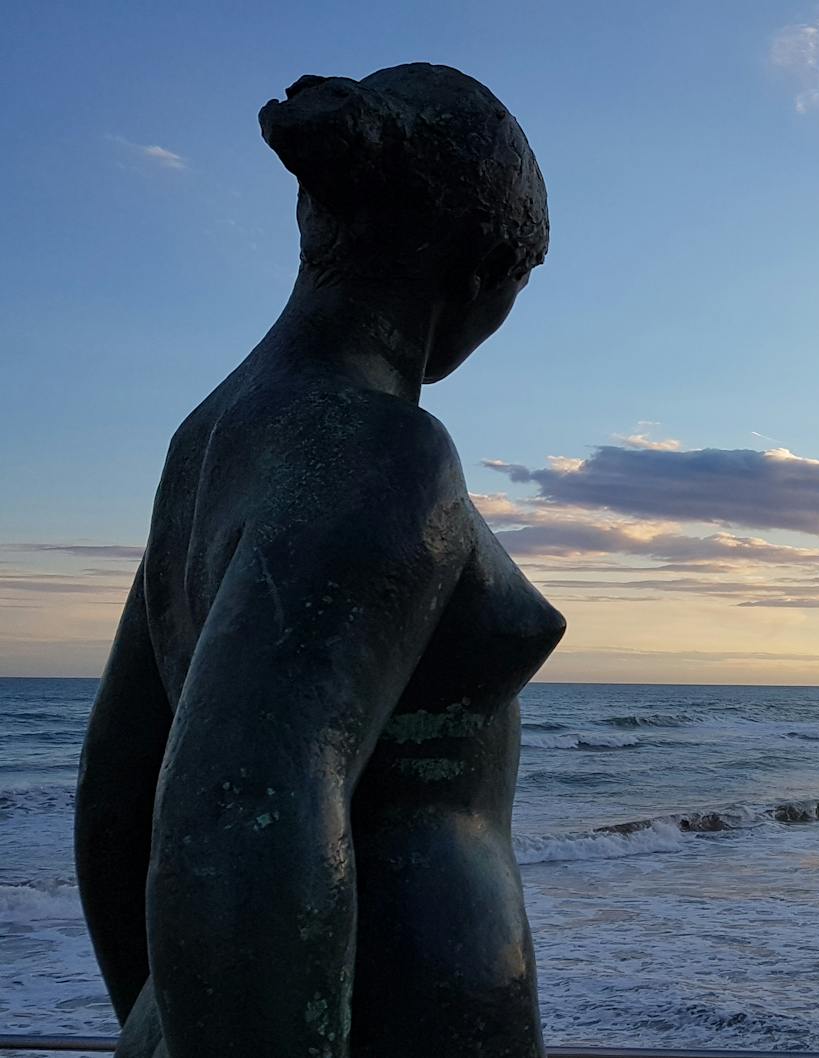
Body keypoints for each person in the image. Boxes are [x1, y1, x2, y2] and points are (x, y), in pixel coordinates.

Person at [74, 64, 563, 1058]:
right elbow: (241, 804)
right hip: (406, 1007)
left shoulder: (209, 437)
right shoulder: (382, 449)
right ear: (481, 274)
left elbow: (118, 792)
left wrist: (164, 1012)